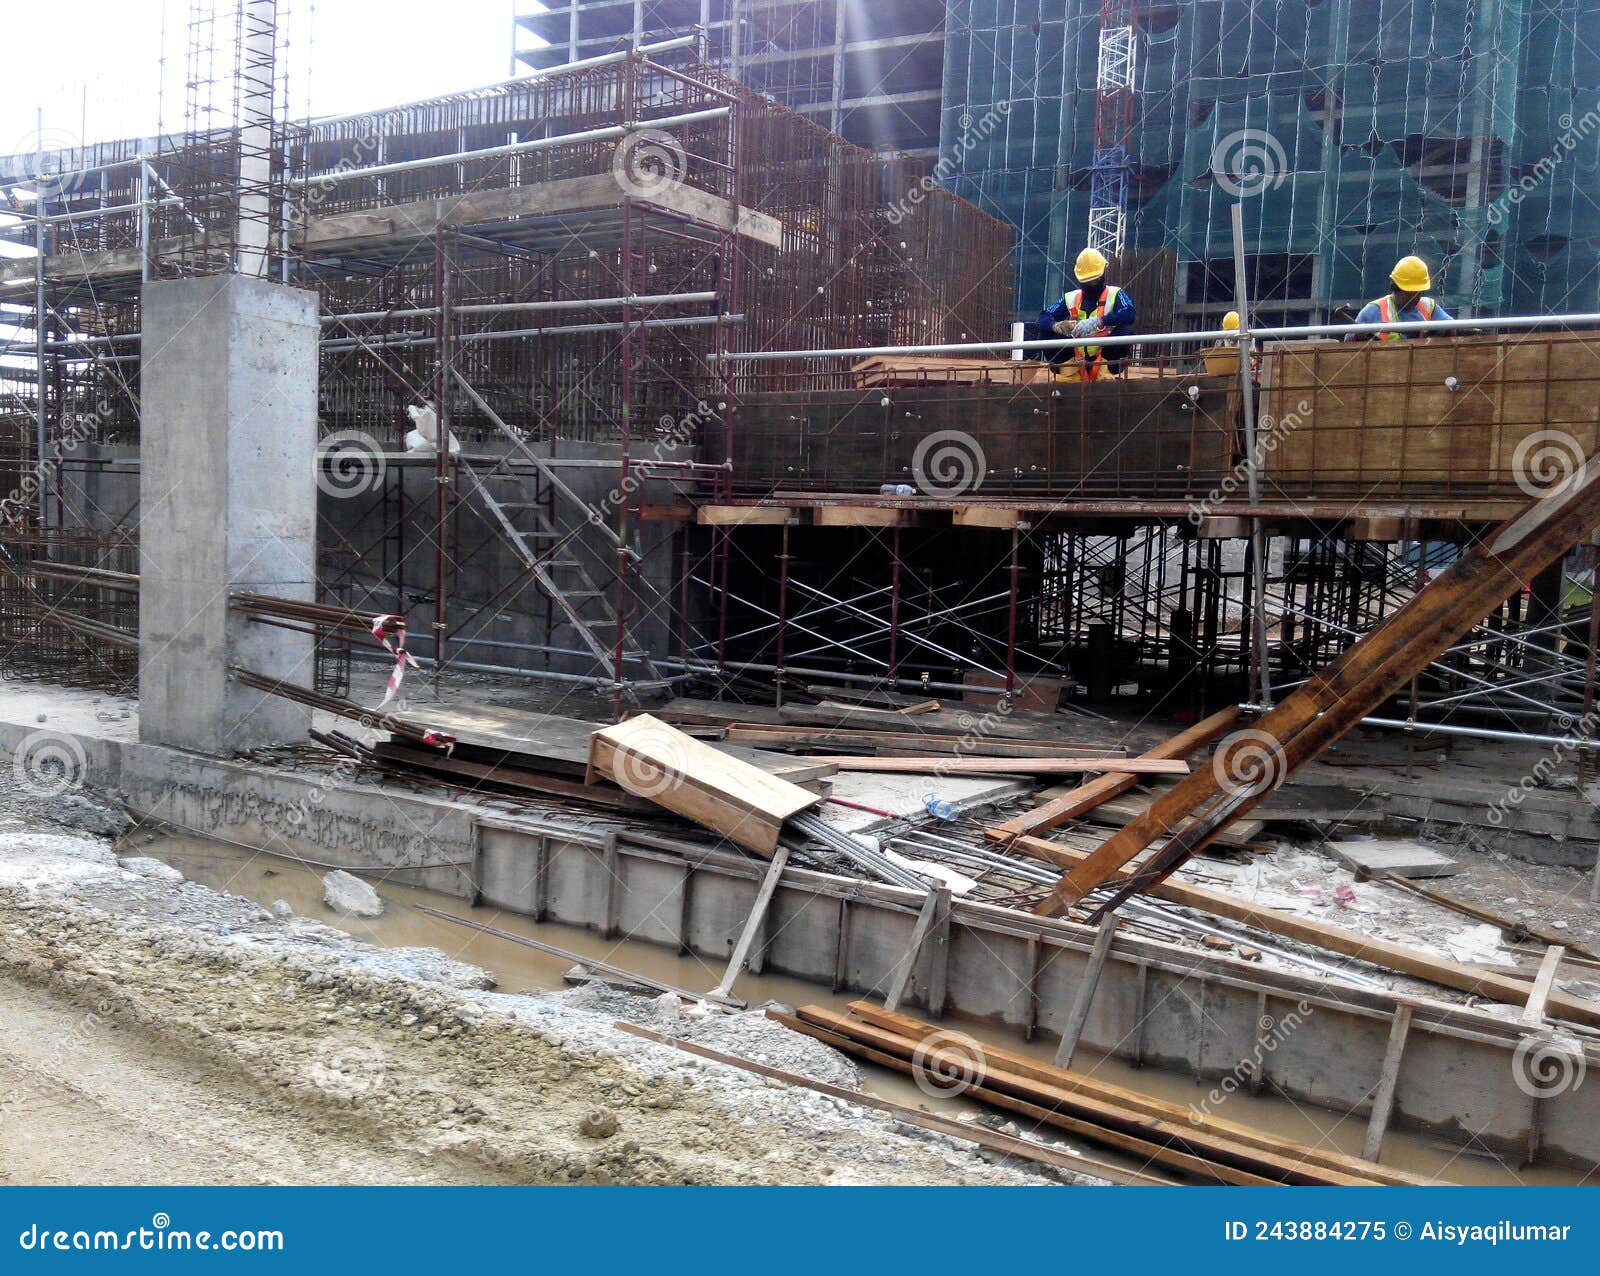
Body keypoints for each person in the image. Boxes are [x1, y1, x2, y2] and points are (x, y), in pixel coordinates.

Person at [1038, 247, 1137, 379]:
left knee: (1125, 330)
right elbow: (1042, 317)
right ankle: (1070, 374)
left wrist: (1100, 320)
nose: (1091, 285)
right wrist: (1055, 326)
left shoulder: (1115, 293)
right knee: (1045, 331)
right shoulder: (1071, 298)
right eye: (1087, 282)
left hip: (1106, 357)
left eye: (1095, 280)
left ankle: (1106, 374)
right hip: (1075, 358)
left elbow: (1130, 314)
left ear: (1103, 274)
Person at [1347, 256, 1452, 340]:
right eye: (1409, 293)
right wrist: (1358, 337)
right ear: (1395, 288)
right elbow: (1348, 345)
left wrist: (1438, 333)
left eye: (1419, 293)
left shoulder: (1429, 307)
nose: (1415, 298)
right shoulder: (1372, 311)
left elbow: (1453, 328)